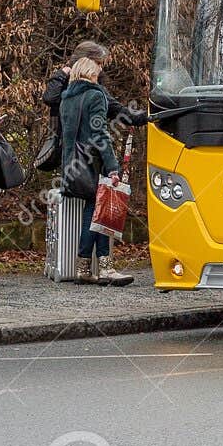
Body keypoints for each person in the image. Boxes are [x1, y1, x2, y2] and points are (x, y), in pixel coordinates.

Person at [59, 56, 133, 286]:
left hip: (71, 165)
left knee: (94, 212)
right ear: (92, 73)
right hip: (91, 164)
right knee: (96, 213)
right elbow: (100, 134)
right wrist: (112, 167)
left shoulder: (66, 98)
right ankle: (102, 268)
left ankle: (93, 267)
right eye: (98, 72)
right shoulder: (95, 95)